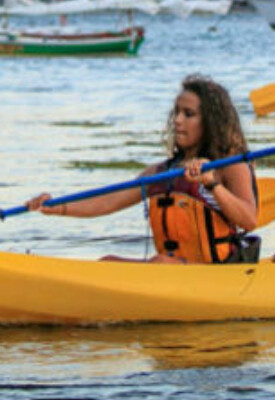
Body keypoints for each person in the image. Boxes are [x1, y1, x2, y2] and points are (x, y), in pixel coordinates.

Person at [25, 75, 259, 264]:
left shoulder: (230, 166)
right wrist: (55, 207)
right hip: (172, 270)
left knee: (160, 264)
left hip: (218, 272)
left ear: (210, 121)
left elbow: (249, 220)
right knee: (108, 262)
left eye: (189, 114)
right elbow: (108, 201)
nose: (177, 120)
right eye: (176, 112)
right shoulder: (160, 174)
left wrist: (212, 184)